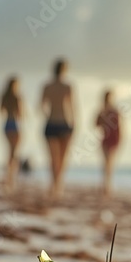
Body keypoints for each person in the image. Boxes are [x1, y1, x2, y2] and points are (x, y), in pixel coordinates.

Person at [41, 58, 75, 197]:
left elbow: (41, 106)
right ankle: (58, 185)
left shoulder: (47, 87)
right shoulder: (67, 86)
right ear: (65, 70)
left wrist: (48, 115)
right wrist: (74, 124)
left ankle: (53, 185)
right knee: (62, 158)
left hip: (50, 123)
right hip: (64, 123)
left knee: (53, 157)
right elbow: (72, 107)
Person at [95, 89, 121, 197]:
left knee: (109, 163)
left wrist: (119, 140)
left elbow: (119, 127)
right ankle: (106, 186)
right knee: (106, 163)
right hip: (105, 139)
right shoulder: (102, 111)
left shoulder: (115, 111)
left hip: (113, 139)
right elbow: (96, 124)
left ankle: (107, 185)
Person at [0, 76, 23, 192]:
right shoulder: (17, 97)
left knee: (10, 151)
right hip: (15, 125)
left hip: (6, 124)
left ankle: (7, 178)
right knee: (14, 153)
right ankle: (11, 179)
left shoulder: (4, 97)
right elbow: (21, 113)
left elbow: (0, 110)